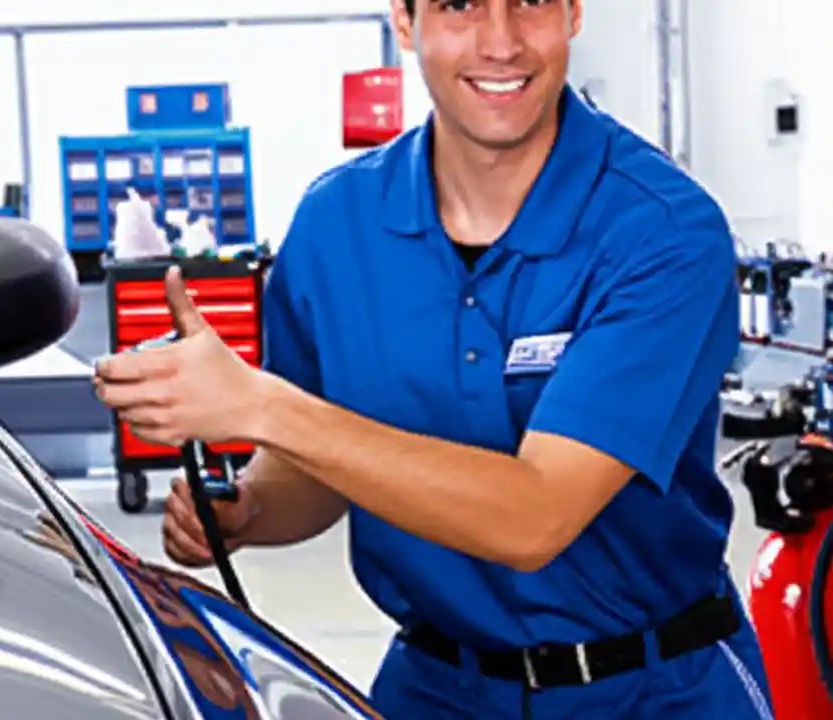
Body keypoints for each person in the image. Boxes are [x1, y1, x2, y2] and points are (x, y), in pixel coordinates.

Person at [93, 0, 774, 717]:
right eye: (460, 6)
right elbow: (316, 466)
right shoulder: (337, 226)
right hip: (436, 688)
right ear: (405, 20)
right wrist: (251, 509)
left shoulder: (662, 232)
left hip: (652, 689)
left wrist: (260, 406)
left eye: (530, 3)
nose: (501, 42)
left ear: (573, 12)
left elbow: (534, 518)